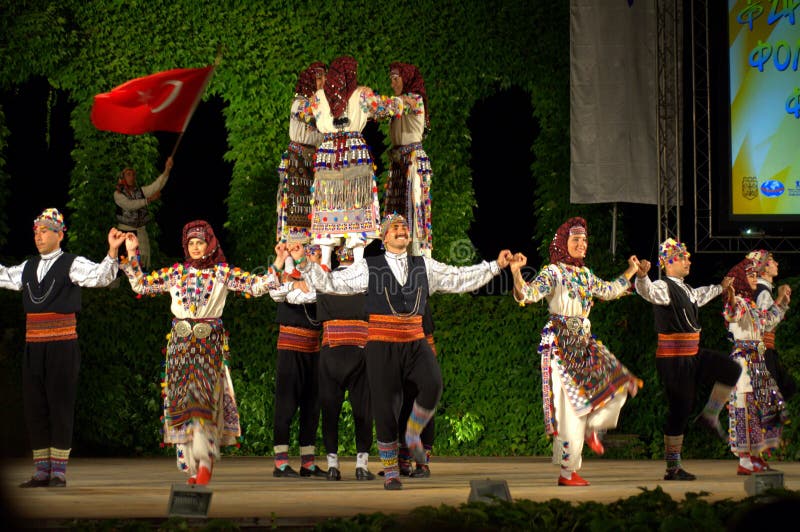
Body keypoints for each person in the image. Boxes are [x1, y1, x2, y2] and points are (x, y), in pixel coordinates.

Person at [290, 213, 511, 490]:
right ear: (384, 237)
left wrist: (494, 266)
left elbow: (458, 278)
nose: (401, 230)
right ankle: (391, 470)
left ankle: (414, 431)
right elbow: (332, 284)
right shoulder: (369, 267)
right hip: (382, 343)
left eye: (404, 227)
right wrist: (303, 263)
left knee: (433, 384)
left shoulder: (424, 266)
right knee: (384, 406)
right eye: (395, 227)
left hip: (415, 340)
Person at [120, 220, 279, 485]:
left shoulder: (221, 273)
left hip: (208, 345)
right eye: (191, 243)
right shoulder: (175, 273)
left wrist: (280, 262)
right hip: (180, 348)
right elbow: (141, 285)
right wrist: (133, 252)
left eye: (200, 242)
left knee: (202, 404)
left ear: (209, 244)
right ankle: (193, 470)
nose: (195, 247)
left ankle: (205, 463)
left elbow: (257, 286)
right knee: (182, 407)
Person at [510, 216, 642, 487]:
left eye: (584, 240)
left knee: (621, 385)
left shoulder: (585, 274)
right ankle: (568, 471)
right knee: (571, 408)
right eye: (576, 239)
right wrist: (515, 273)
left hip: (584, 341)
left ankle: (595, 427)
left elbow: (607, 290)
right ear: (563, 243)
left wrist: (630, 271)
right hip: (560, 344)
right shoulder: (553, 272)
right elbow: (528, 295)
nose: (582, 244)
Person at [0, 208, 126, 487]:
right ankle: (41, 471)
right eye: (36, 231)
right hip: (33, 346)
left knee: (60, 405)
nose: (39, 236)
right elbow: (4, 275)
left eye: (45, 231)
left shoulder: (71, 263)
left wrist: (112, 250)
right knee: (35, 406)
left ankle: (58, 472)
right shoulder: (28, 267)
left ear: (60, 234)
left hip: (62, 345)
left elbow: (100, 277)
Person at [634, 238, 742, 481]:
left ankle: (710, 415)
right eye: (683, 257)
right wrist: (642, 277)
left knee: (731, 369)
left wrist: (722, 287)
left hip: (693, 353)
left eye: (687, 257)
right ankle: (673, 468)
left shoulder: (686, 289)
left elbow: (702, 295)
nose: (688, 260)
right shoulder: (663, 287)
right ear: (668, 263)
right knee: (680, 410)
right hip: (673, 359)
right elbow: (647, 291)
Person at [302, 55, 405, 269]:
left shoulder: (317, 97)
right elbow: (386, 108)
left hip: (328, 156)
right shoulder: (362, 94)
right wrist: (404, 102)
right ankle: (358, 265)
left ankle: (325, 261)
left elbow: (304, 114)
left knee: (328, 203)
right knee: (357, 201)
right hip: (354, 154)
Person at [312, 245, 375, 481]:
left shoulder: (325, 280)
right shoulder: (368, 283)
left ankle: (332, 466)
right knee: (363, 410)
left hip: (331, 350)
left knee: (330, 410)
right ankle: (361, 466)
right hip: (360, 349)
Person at [722, 257, 790, 475]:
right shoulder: (740, 304)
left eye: (755, 274)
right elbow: (731, 313)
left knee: (756, 409)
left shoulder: (751, 304)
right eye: (750, 275)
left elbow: (768, 321)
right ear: (741, 280)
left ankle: (753, 456)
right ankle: (744, 459)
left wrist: (780, 300)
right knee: (743, 408)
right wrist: (731, 297)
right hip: (743, 362)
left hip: (756, 360)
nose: (754, 278)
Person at [268, 242, 326, 478]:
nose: (311, 255)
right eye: (305, 251)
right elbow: (275, 293)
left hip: (314, 346)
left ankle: (308, 463)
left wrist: (297, 285)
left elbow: (316, 293)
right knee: (286, 403)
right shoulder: (281, 272)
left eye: (315, 252)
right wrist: (293, 282)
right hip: (290, 346)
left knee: (311, 406)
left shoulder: (322, 275)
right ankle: (280, 463)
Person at [277, 62, 326, 278]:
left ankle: (315, 267)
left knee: (314, 212)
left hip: (315, 161)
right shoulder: (299, 103)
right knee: (294, 212)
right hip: (297, 161)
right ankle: (290, 270)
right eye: (318, 77)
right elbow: (315, 119)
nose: (322, 82)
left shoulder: (324, 105)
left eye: (325, 77)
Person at [382, 62, 433, 257]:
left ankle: (421, 263)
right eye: (391, 80)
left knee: (415, 211)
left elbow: (392, 106)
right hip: (398, 163)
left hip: (412, 163)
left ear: (407, 79)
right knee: (397, 213)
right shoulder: (400, 102)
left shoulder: (414, 100)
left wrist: (365, 101)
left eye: (396, 79)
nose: (393, 84)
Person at [747, 250, 796, 400]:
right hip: (762, 351)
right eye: (772, 261)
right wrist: (780, 299)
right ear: (764, 269)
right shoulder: (762, 292)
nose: (777, 263)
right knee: (775, 393)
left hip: (764, 349)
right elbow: (766, 323)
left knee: (785, 386)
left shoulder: (762, 290)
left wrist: (782, 304)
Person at [113, 157, 173, 269]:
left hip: (140, 231)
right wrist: (149, 200)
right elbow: (130, 206)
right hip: (125, 231)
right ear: (123, 178)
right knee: (123, 262)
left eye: (133, 175)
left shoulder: (140, 191)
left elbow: (156, 186)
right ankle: (119, 285)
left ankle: (140, 284)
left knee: (141, 263)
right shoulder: (118, 194)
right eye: (128, 174)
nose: (131, 177)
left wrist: (167, 170)